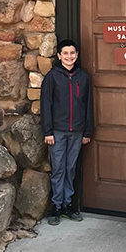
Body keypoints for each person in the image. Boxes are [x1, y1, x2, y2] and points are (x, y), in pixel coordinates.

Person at [40, 38, 94, 226]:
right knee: (58, 168)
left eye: (72, 53)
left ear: (76, 55)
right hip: (57, 131)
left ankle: (68, 204)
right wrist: (48, 131)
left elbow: (88, 105)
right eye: (65, 53)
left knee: (70, 168)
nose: (69, 56)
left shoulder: (83, 77)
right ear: (59, 55)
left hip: (77, 131)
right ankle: (56, 206)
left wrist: (87, 131)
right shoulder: (52, 77)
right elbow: (46, 105)